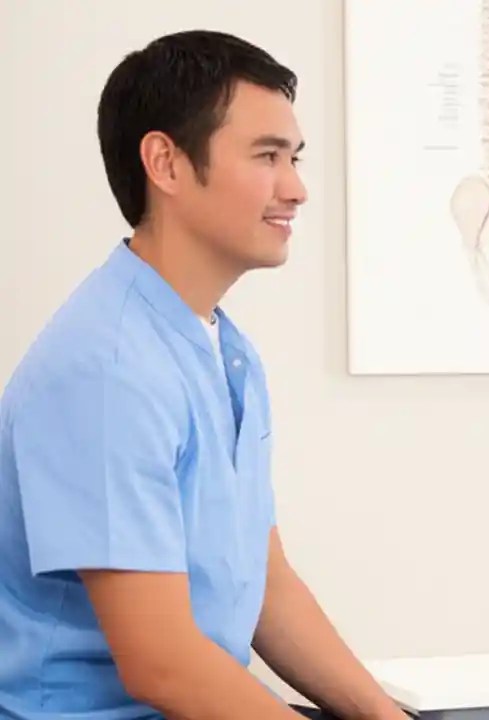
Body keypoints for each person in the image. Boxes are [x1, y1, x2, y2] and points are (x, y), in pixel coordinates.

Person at [0, 31, 405, 719]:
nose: (297, 188)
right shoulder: (107, 368)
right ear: (165, 162)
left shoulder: (223, 352)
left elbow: (265, 586)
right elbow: (163, 667)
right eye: (267, 156)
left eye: (295, 158)